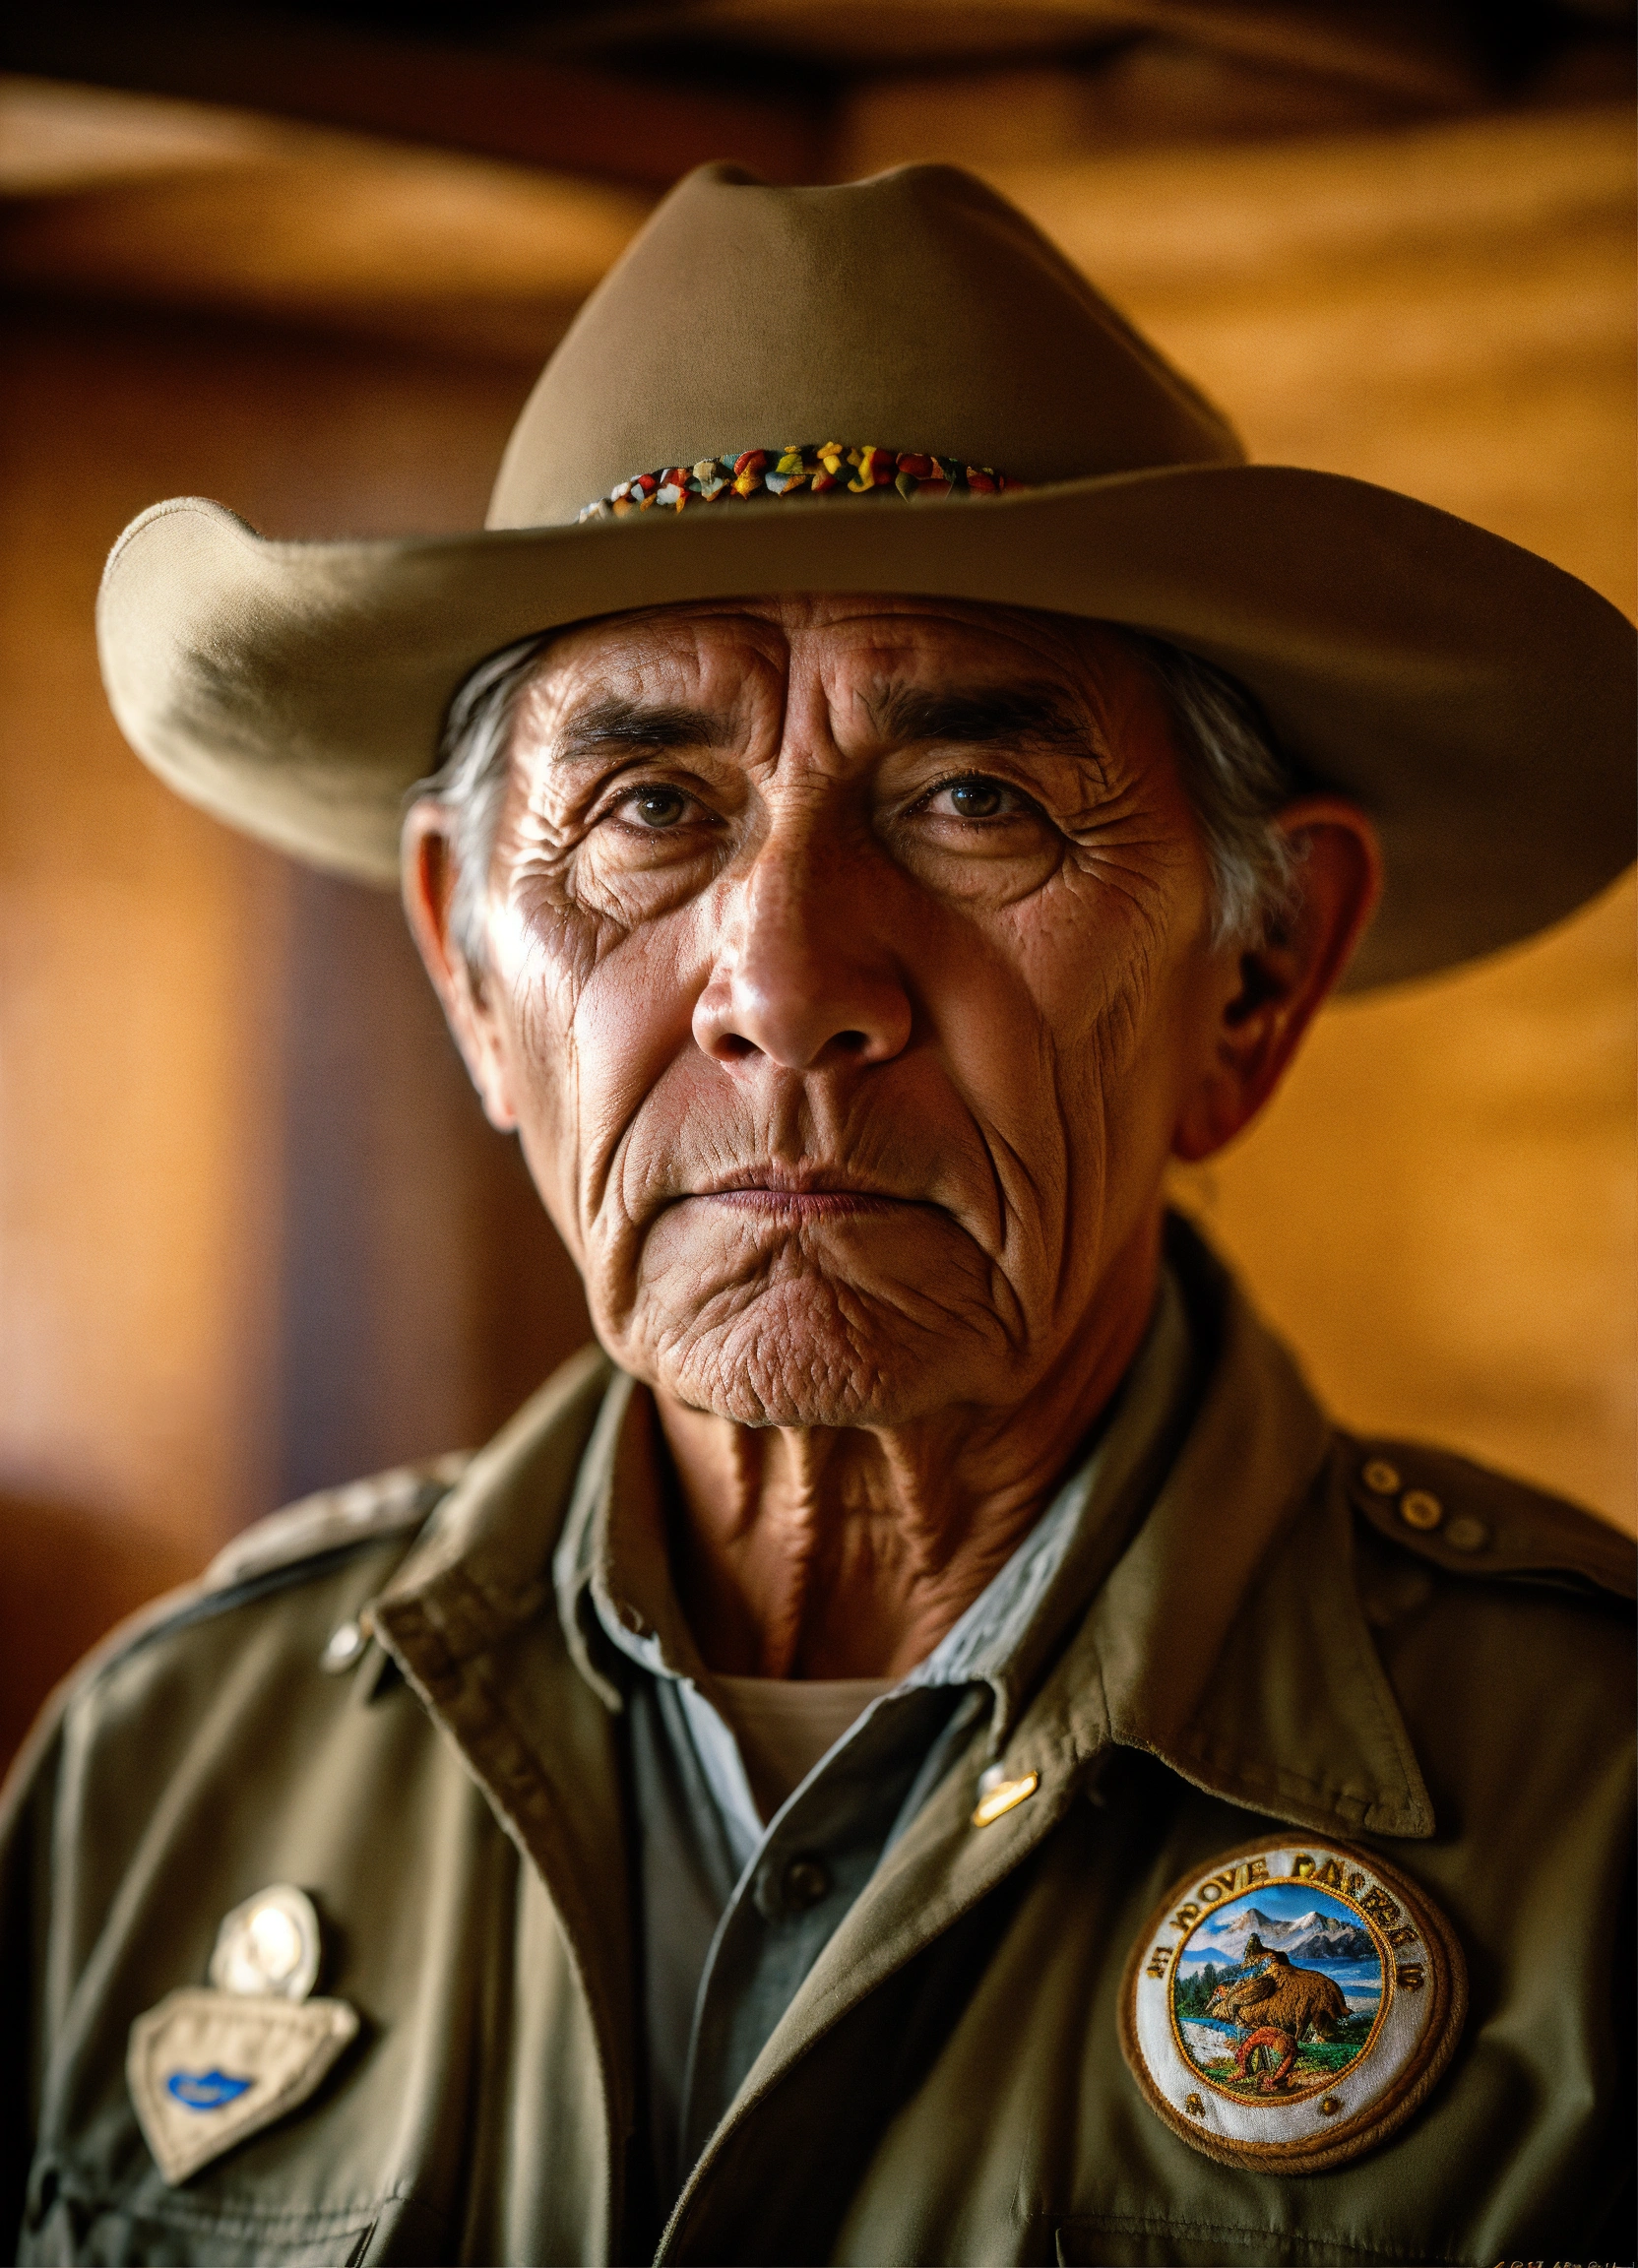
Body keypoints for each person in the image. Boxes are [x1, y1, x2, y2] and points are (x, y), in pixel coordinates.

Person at [3, 161, 1633, 2268]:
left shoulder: (1596, 1802)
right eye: (648, 811)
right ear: (472, 980)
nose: (779, 983)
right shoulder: (169, 1762)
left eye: (972, 804)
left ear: (1255, 978)